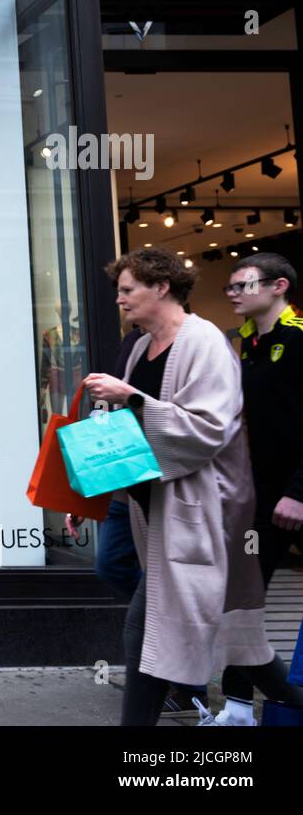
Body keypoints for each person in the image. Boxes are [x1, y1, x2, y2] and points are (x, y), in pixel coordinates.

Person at [82, 248, 278, 726]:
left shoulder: (205, 341)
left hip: (196, 509)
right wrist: (96, 487)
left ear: (161, 287)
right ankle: (288, 695)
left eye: (128, 290)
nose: (121, 301)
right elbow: (129, 430)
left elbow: (208, 429)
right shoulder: (138, 346)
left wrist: (130, 397)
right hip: (150, 507)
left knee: (144, 632)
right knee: (230, 635)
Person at [215, 252, 303, 724]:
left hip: (294, 492)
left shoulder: (299, 338)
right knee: (242, 597)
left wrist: (299, 491)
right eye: (230, 286)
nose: (233, 293)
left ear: (278, 287)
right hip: (260, 495)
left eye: (243, 285)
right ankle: (237, 707)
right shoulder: (244, 343)